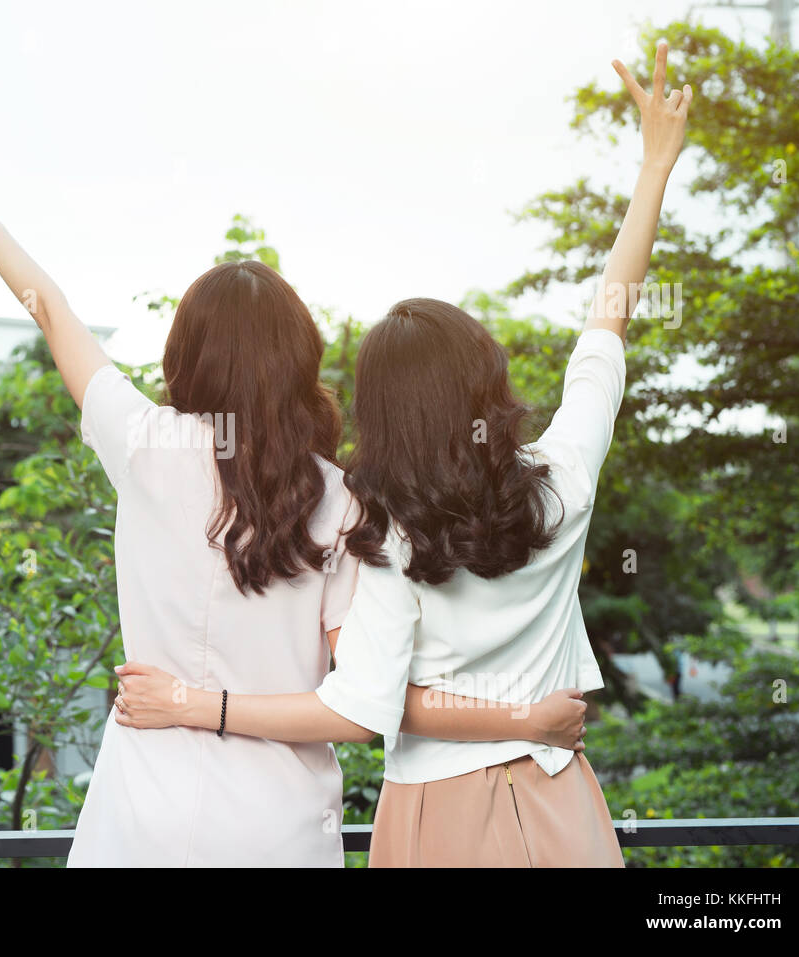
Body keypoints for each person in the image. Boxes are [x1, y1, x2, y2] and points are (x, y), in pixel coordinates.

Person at [0, 127, 587, 866]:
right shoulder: (344, 500)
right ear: (300, 360)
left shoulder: (142, 445)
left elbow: (50, 310)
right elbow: (354, 708)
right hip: (280, 828)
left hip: (142, 819)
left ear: (185, 355)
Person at [112, 41, 694, 867]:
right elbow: (610, 318)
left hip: (431, 810)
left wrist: (193, 702)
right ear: (486, 380)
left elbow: (374, 705)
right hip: (558, 791)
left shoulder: (381, 536)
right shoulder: (563, 482)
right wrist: (655, 168)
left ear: (381, 417)